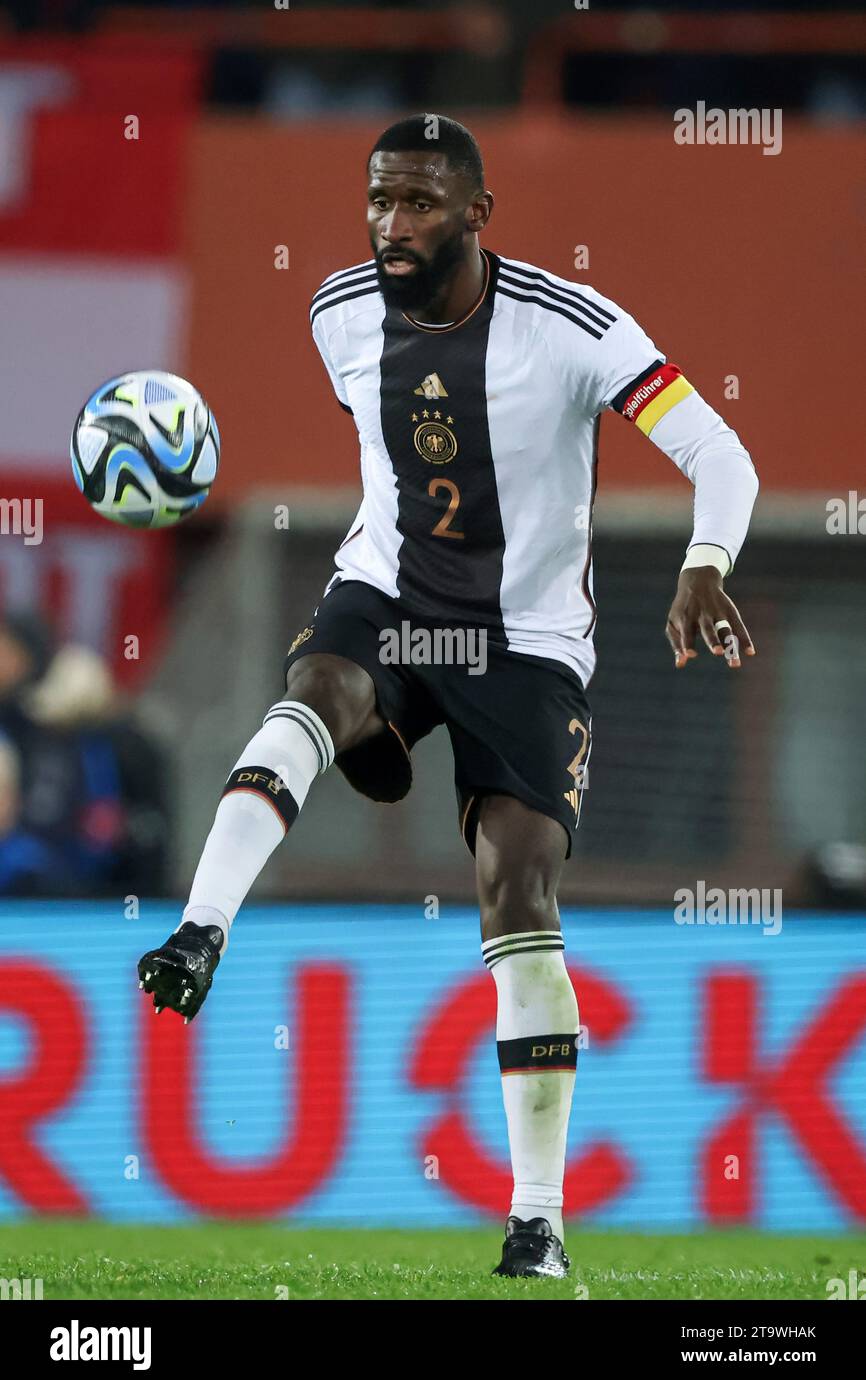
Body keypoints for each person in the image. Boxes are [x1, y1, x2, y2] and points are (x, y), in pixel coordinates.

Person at [139, 114, 758, 1277]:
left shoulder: (574, 327)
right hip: (391, 593)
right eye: (377, 199)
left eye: (419, 202)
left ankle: (536, 1217)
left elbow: (720, 454)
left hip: (526, 643)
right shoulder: (336, 312)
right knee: (317, 677)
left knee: (515, 887)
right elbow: (393, 465)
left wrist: (702, 561)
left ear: (478, 213)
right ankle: (201, 926)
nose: (390, 224)